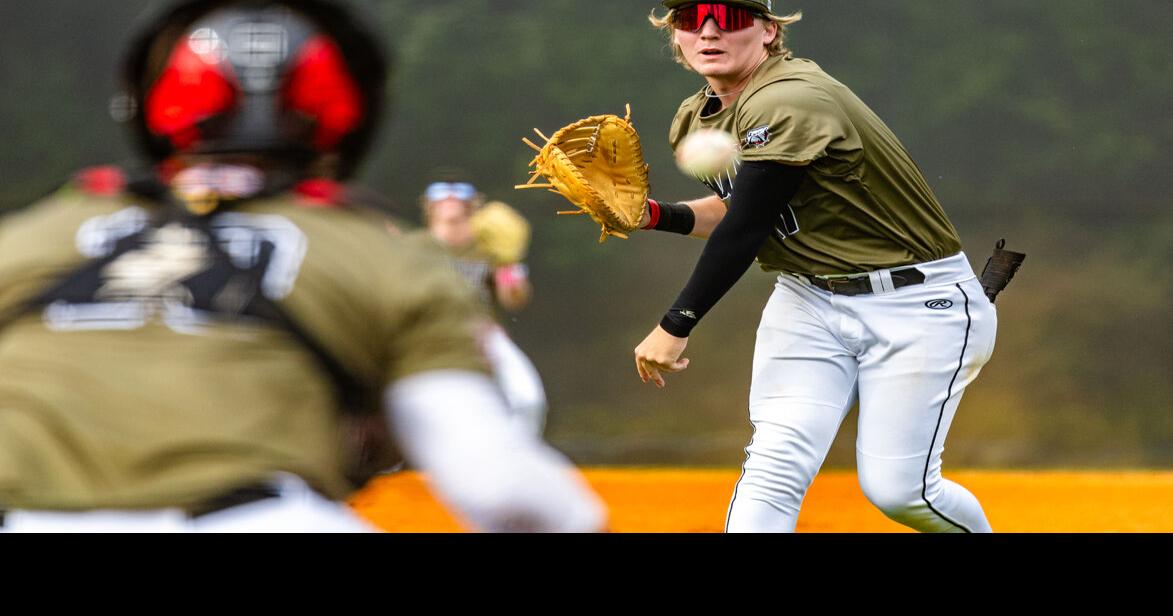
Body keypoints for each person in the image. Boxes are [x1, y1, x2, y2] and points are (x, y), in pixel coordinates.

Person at [0, 0, 604, 533]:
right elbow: (504, 491)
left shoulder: (27, 238)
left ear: (154, 106)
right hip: (259, 516)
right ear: (343, 114)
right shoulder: (382, 254)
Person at [635, 1, 997, 533]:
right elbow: (747, 210)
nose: (709, 31)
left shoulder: (791, 98)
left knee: (902, 492)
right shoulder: (697, 116)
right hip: (808, 299)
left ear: (768, 30)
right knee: (774, 466)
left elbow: (748, 229)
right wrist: (652, 215)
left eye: (728, 17)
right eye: (691, 20)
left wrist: (676, 323)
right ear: (676, 36)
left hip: (917, 303)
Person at [415, 179, 549, 436]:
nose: (451, 197)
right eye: (442, 192)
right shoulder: (415, 246)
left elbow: (515, 299)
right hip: (427, 337)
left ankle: (515, 462)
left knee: (527, 399)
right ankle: (392, 474)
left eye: (459, 192)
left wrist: (509, 262)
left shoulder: (487, 247)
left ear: (472, 204)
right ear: (429, 205)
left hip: (482, 337)